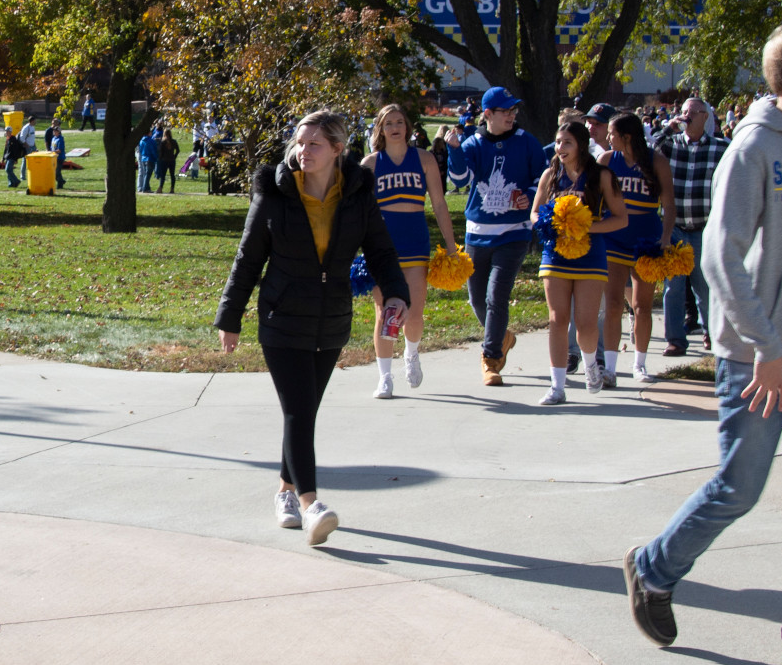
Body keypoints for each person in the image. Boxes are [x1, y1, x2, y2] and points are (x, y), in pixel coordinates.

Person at [625, 24, 782, 665]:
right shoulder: (753, 147)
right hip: (761, 357)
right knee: (740, 487)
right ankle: (654, 566)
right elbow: (718, 255)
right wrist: (765, 346)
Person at [216, 109, 408, 545]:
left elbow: (380, 250)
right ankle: (310, 505)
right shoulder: (276, 194)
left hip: (331, 319)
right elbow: (248, 259)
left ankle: (284, 490)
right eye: (300, 143)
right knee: (299, 410)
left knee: (303, 413)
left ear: (338, 149)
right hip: (281, 317)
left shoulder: (357, 195)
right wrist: (230, 318)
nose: (303, 151)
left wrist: (396, 292)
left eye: (314, 144)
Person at [442, 87, 546, 386]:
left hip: (514, 232)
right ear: (487, 115)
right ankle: (502, 336)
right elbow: (460, 180)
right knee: (477, 299)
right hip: (478, 234)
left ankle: (490, 359)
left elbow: (542, 180)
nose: (512, 115)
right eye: (505, 111)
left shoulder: (527, 142)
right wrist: (454, 149)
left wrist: (528, 196)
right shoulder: (473, 144)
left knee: (496, 295)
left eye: (514, 110)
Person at [361, 103, 462, 398]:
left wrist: (452, 245)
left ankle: (412, 353)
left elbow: (440, 204)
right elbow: (358, 211)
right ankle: (384, 376)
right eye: (388, 123)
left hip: (416, 242)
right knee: (385, 312)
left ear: (407, 127)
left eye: (400, 122)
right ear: (380, 129)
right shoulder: (370, 164)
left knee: (414, 312)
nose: (395, 127)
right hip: (382, 245)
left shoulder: (425, 159)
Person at [534, 120, 630, 404]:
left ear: (581, 146)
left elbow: (621, 218)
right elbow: (535, 212)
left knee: (586, 324)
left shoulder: (600, 176)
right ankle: (557, 387)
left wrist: (586, 226)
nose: (560, 148)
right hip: (556, 253)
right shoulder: (550, 175)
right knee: (557, 319)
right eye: (558, 142)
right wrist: (549, 223)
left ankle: (590, 366)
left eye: (567, 143)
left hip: (591, 253)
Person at [599, 113, 677, 386]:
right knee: (612, 305)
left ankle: (639, 364)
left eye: (612, 133)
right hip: (614, 239)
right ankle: (609, 369)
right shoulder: (607, 161)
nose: (608, 138)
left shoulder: (657, 162)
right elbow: (594, 199)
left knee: (642, 306)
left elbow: (668, 204)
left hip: (647, 241)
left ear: (627, 136)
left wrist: (665, 237)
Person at [656, 97, 728, 358]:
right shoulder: (670, 146)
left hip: (705, 228)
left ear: (705, 117)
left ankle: (711, 332)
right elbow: (644, 150)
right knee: (673, 287)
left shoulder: (720, 148)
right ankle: (676, 340)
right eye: (683, 112)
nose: (686, 117)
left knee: (705, 287)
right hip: (675, 228)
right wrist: (667, 129)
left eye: (692, 113)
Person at [155, 126, 180, 194]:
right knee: (172, 175)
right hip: (172, 160)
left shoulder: (163, 142)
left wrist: (160, 159)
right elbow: (178, 150)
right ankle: (172, 189)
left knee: (163, 175)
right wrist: (174, 156)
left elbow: (161, 152)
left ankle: (160, 188)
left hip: (164, 160)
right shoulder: (174, 141)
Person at [3, 124, 28, 190]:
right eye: (6, 131)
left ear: (10, 132)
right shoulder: (7, 139)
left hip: (12, 157)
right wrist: (3, 158)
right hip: (8, 157)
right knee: (9, 170)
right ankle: (11, 183)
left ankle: (16, 181)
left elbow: (15, 150)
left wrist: (15, 159)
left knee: (8, 169)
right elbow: (6, 150)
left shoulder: (13, 139)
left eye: (7, 131)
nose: (6, 132)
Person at [46, 121, 67, 189]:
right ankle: (61, 181)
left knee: (57, 172)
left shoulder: (60, 139)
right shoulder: (53, 138)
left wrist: (52, 152)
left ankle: (60, 183)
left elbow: (59, 150)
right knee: (55, 171)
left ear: (59, 132)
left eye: (55, 131)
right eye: (54, 131)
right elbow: (52, 147)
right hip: (54, 157)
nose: (54, 132)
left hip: (60, 158)